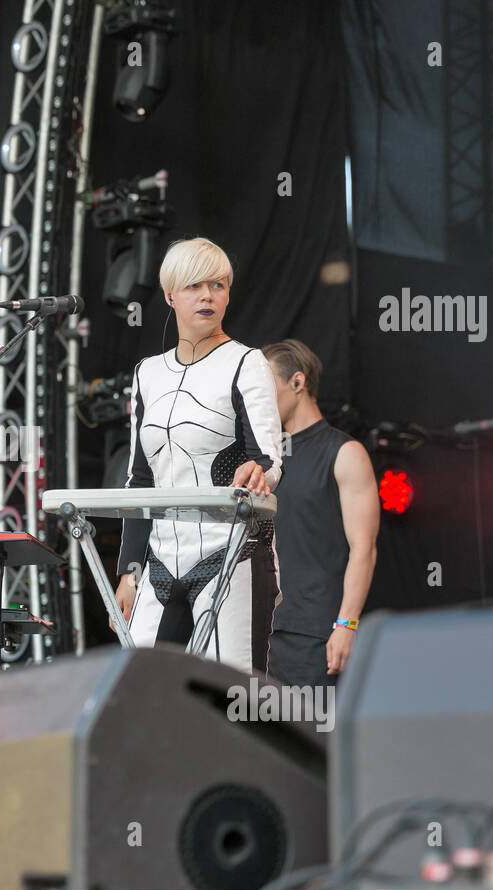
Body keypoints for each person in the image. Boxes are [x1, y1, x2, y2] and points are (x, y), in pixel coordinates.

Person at [113, 237, 283, 673]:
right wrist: (130, 570)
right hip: (158, 561)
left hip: (231, 552)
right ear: (170, 294)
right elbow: (139, 479)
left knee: (233, 698)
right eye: (194, 286)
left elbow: (267, 458)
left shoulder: (247, 363)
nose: (207, 295)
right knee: (140, 690)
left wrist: (256, 470)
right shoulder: (147, 373)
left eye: (218, 285)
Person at [261, 339, 378, 687]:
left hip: (318, 632)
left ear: (297, 383)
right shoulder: (267, 461)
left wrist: (346, 624)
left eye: (267, 386)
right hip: (267, 631)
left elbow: (364, 548)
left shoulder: (344, 453)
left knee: (317, 737)